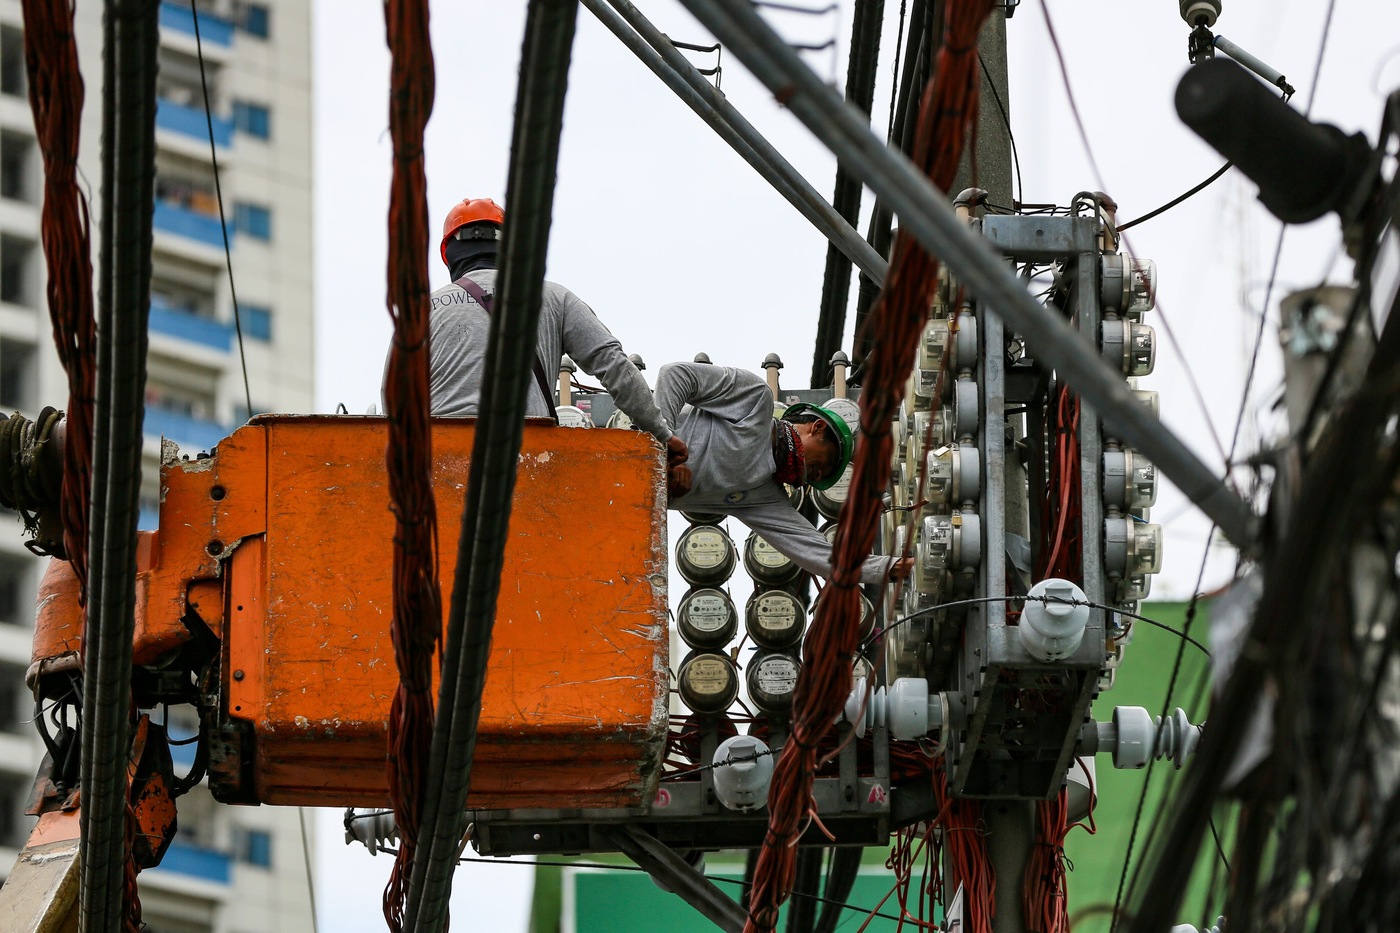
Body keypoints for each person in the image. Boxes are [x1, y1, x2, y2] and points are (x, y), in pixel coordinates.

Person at [389, 196, 687, 468]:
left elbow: (394, 396)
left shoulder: (421, 310)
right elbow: (614, 365)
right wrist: (661, 434)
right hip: (527, 460)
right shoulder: (555, 298)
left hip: (438, 461)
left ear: (451, 253)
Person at [655, 361, 911, 585]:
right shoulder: (756, 400)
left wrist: (890, 568)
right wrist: (661, 453)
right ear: (817, 428)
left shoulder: (764, 498)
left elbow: (821, 557)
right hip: (632, 442)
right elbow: (676, 375)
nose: (817, 476)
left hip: (636, 498)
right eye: (828, 463)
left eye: (821, 478)